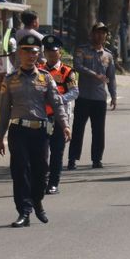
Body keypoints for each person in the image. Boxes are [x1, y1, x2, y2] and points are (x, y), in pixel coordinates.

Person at [0, 35, 70, 227]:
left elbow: (57, 103)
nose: (31, 55)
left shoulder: (45, 78)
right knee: (20, 171)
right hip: (18, 131)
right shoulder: (10, 80)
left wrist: (65, 125)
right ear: (20, 53)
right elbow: (3, 110)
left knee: (41, 172)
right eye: (27, 51)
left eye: (35, 52)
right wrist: (0, 137)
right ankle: (24, 211)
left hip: (39, 132)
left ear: (39, 55)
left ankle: (37, 201)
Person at [69, 22, 117, 170]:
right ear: (91, 34)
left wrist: (113, 95)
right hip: (83, 96)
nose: (100, 35)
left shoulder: (108, 55)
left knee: (98, 130)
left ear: (106, 36)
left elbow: (111, 76)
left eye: (103, 33)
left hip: (99, 98)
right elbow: (77, 66)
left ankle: (97, 159)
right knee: (78, 129)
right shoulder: (82, 50)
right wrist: (95, 75)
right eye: (97, 32)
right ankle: (72, 159)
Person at [41, 36, 78, 195]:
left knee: (57, 151)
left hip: (59, 116)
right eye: (48, 51)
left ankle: (53, 183)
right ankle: (42, 179)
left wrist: (58, 100)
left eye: (53, 51)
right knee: (41, 152)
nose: (50, 54)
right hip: (42, 116)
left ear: (59, 53)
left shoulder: (67, 71)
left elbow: (75, 92)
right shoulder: (39, 70)